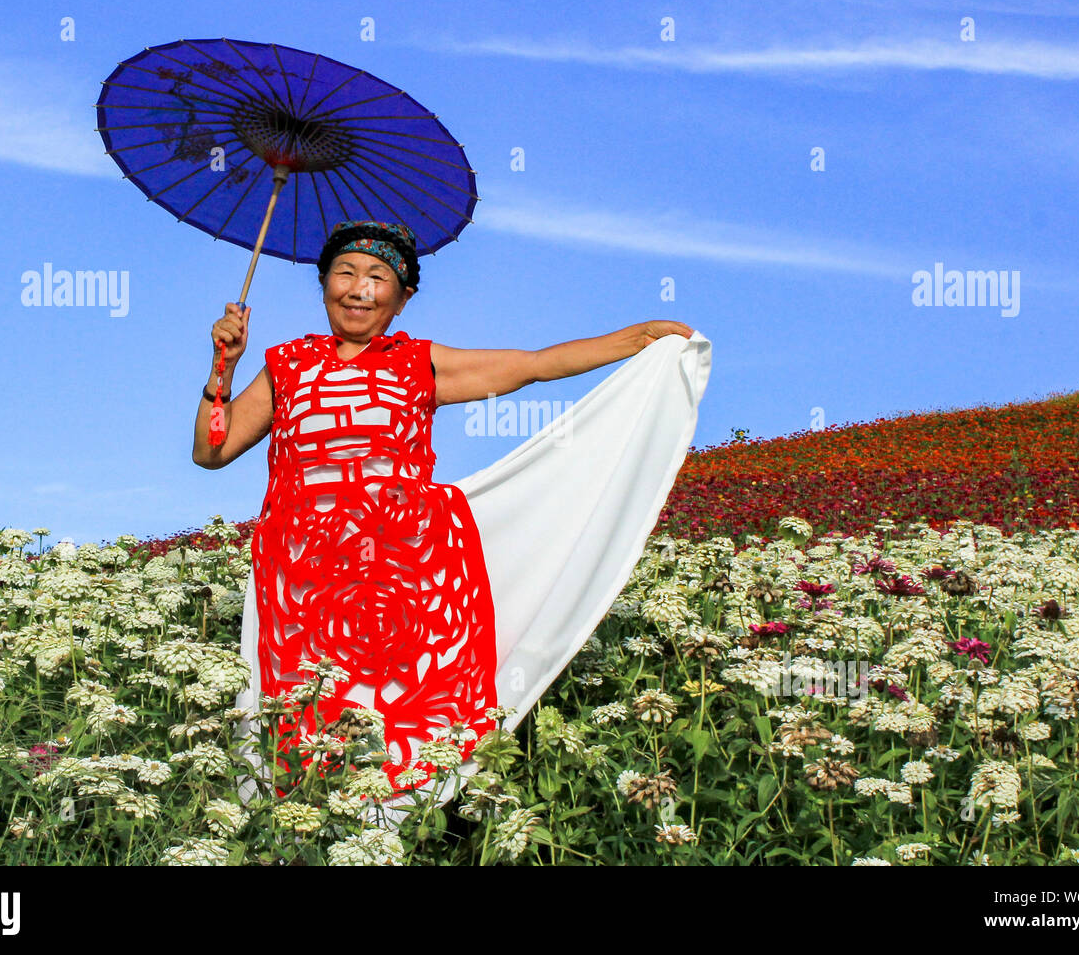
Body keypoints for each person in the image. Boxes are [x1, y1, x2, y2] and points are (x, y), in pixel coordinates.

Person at [193, 219, 706, 818]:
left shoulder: (421, 364)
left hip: (402, 574)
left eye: (378, 277)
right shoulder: (286, 366)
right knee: (303, 717)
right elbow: (211, 452)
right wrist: (222, 369)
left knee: (401, 711)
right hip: (304, 579)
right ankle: (305, 834)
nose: (359, 289)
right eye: (345, 273)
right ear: (323, 284)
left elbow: (536, 365)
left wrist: (634, 338)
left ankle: (405, 831)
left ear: (403, 296)